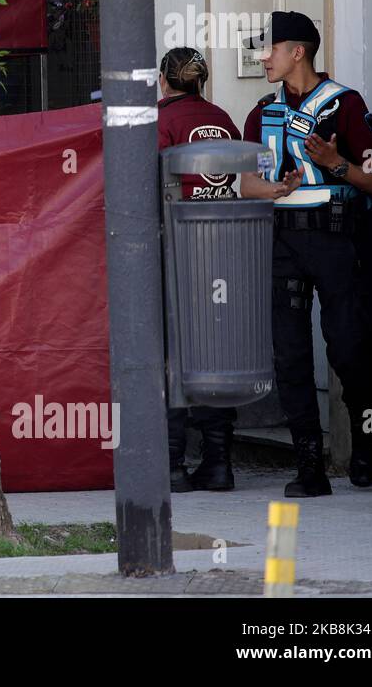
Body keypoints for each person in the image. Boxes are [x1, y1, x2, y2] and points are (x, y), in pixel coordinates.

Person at [239, 11, 372, 498]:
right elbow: (247, 184)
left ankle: (369, 444)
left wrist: (333, 163)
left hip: (335, 239)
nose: (263, 57)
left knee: (346, 347)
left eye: (271, 49)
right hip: (282, 239)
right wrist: (274, 188)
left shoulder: (345, 105)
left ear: (296, 52)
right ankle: (309, 466)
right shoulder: (262, 111)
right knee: (290, 355)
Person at [157, 47, 242, 491]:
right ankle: (220, 463)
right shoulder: (223, 117)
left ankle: (172, 465)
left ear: (163, 79)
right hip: (226, 249)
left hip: (176, 247)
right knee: (216, 354)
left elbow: (146, 182)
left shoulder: (160, 120)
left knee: (172, 356)